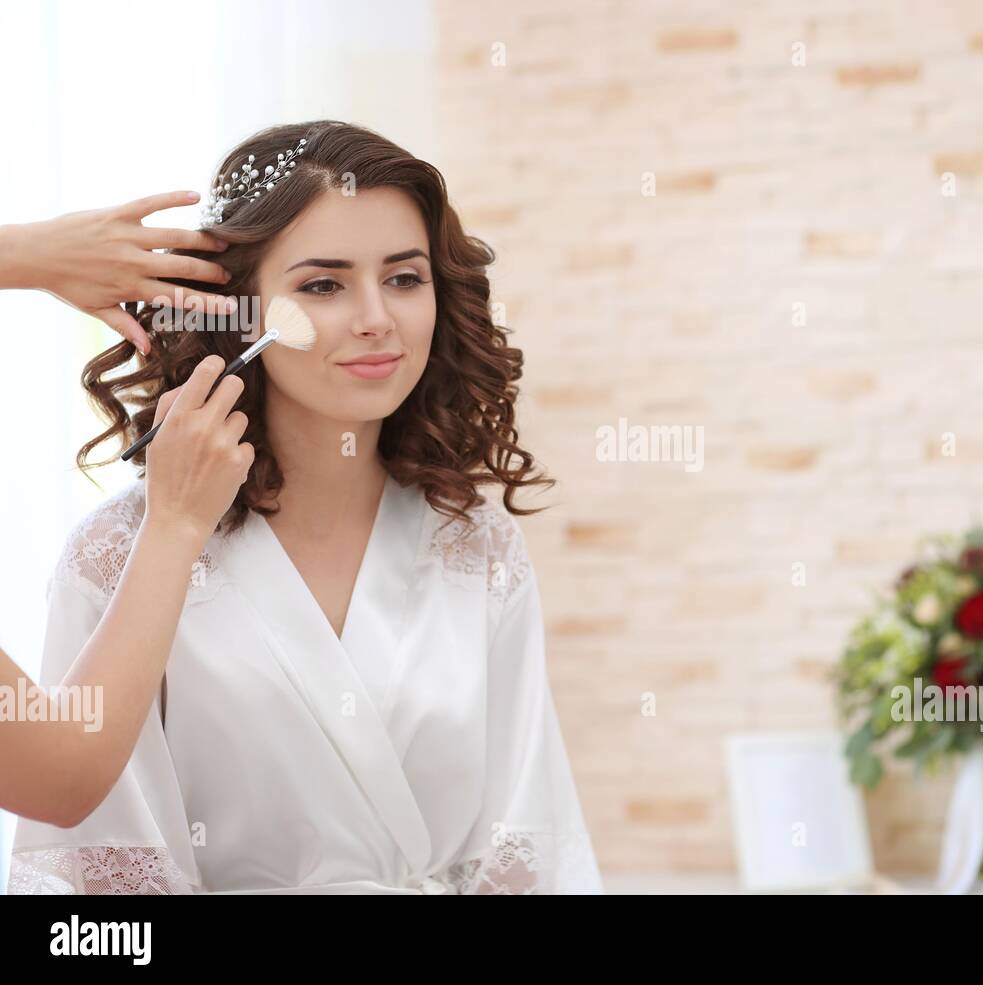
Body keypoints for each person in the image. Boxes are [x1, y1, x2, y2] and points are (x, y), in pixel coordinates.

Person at [8, 120, 603, 895]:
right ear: (237, 310)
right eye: (322, 284)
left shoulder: (474, 544)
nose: (374, 318)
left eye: (404, 277)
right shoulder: (119, 553)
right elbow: (95, 849)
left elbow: (535, 846)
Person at [0, 195, 245, 826]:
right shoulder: (106, 549)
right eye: (323, 284)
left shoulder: (471, 538)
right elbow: (59, 776)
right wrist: (176, 524)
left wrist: (23, 253)